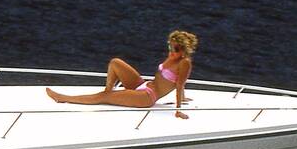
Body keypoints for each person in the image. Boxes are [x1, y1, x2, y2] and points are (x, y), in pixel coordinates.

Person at [45, 30, 198, 120]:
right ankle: (108, 91)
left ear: (184, 50)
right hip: (143, 85)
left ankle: (63, 98)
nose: (171, 51)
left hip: (147, 96)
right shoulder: (173, 56)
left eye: (175, 49)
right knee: (115, 62)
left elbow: (179, 84)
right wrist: (184, 98)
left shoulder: (184, 63)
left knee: (103, 97)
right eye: (170, 47)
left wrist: (178, 109)